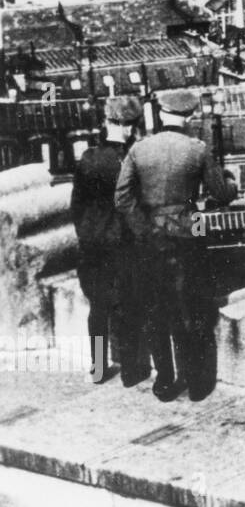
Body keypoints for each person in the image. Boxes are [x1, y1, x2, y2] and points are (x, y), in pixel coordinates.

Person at [115, 90, 237, 402]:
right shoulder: (196, 149)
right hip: (187, 237)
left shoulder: (139, 150)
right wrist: (230, 183)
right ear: (189, 116)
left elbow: (123, 198)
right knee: (191, 310)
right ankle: (195, 382)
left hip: (150, 242)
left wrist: (144, 230)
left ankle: (165, 381)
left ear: (161, 113)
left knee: (156, 311)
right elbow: (221, 194)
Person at [71, 96, 147, 386]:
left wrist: (88, 233)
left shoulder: (89, 158)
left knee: (98, 309)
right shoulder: (133, 159)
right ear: (132, 126)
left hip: (93, 246)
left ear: (107, 122)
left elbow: (77, 205)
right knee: (128, 307)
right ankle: (130, 371)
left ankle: (99, 368)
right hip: (124, 244)